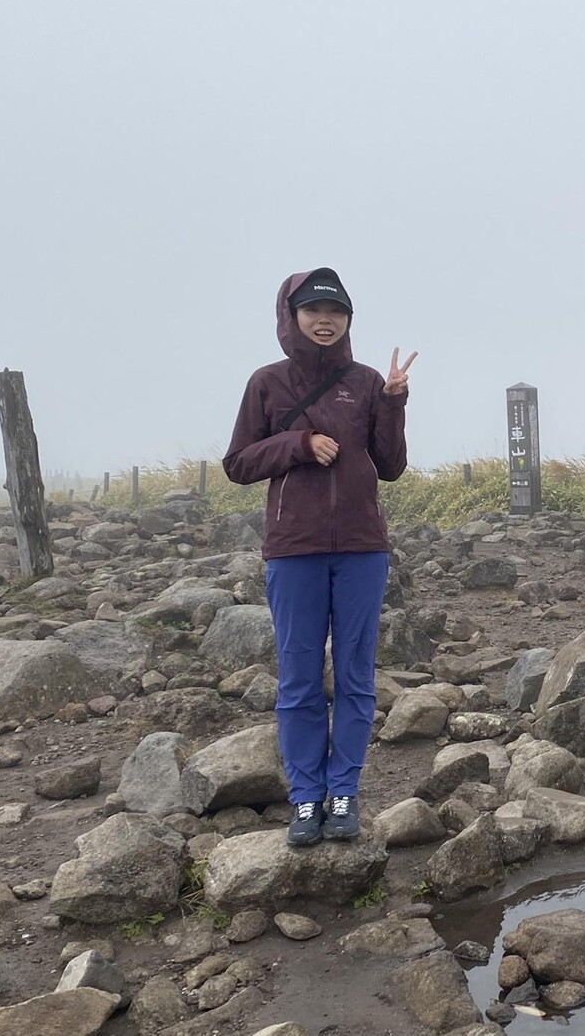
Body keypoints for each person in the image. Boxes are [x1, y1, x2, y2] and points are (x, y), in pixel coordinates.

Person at [223, 267, 417, 845]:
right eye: (312, 311)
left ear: (349, 321)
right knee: (300, 679)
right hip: (294, 550)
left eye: (336, 312)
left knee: (356, 677)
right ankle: (306, 798)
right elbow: (238, 464)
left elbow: (391, 466)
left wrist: (394, 403)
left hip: (362, 548)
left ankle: (343, 793)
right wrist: (299, 445)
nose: (324, 321)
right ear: (291, 317)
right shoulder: (268, 383)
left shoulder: (364, 383)